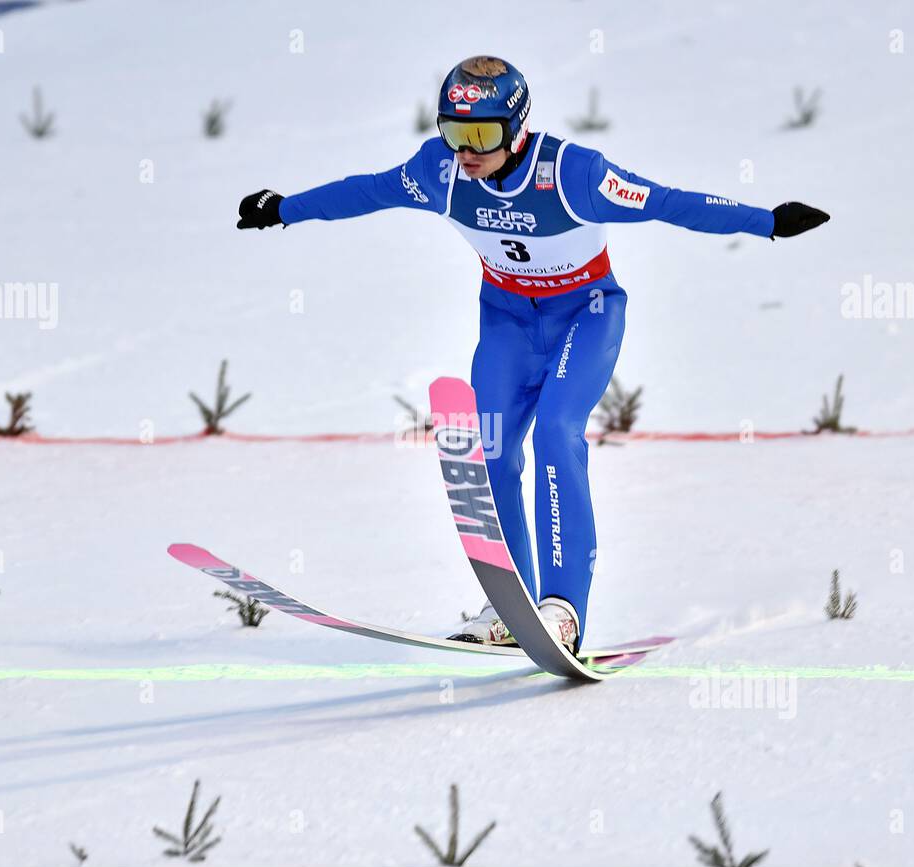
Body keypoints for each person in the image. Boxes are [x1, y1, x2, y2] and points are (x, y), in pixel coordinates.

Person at [237, 55, 829, 654]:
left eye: (481, 135)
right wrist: (282, 209)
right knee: (487, 451)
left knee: (556, 432)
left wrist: (768, 221)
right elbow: (364, 192)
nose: (465, 151)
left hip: (587, 314)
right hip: (507, 321)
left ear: (516, 127)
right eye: (453, 132)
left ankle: (563, 609)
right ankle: (508, 608)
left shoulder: (575, 174)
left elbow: (665, 201)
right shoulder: (437, 172)